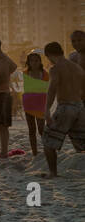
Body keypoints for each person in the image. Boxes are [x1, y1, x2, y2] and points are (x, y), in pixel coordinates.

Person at [42, 42, 85, 177]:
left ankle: (53, 173)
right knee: (82, 144)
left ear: (48, 55)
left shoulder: (56, 68)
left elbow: (52, 89)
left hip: (65, 107)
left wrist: (47, 110)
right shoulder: (78, 68)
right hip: (79, 106)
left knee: (48, 141)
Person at [22, 52, 49, 156]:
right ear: (28, 62)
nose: (34, 63)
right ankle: (34, 152)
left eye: (36, 60)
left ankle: (47, 150)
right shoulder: (25, 73)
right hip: (29, 103)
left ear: (40, 61)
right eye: (32, 61)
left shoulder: (45, 74)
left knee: (42, 129)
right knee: (31, 129)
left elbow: (48, 89)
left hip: (41, 103)